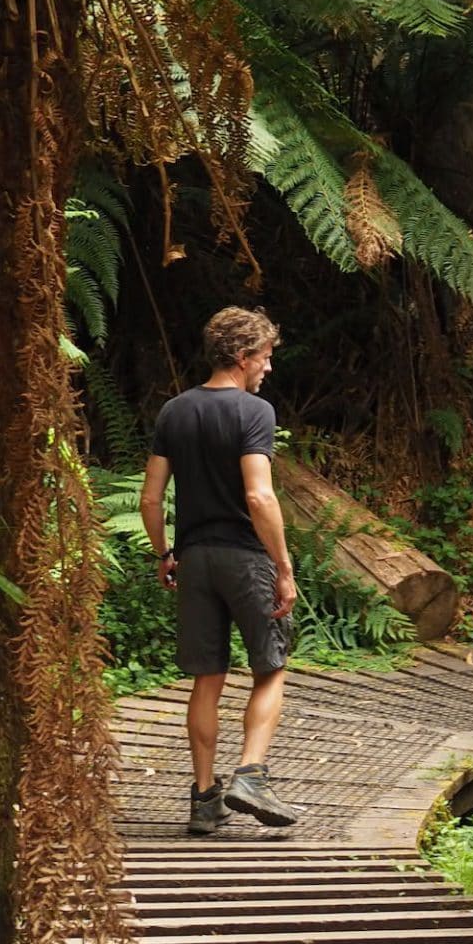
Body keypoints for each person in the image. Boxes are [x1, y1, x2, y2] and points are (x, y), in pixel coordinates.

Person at [140, 306, 301, 836]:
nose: (268, 368)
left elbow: (150, 499)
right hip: (244, 557)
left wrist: (166, 553)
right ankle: (251, 775)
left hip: (194, 559)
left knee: (207, 678)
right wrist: (282, 565)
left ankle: (205, 798)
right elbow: (258, 494)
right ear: (241, 357)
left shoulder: (174, 412)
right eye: (265, 357)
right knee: (270, 667)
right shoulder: (254, 413)